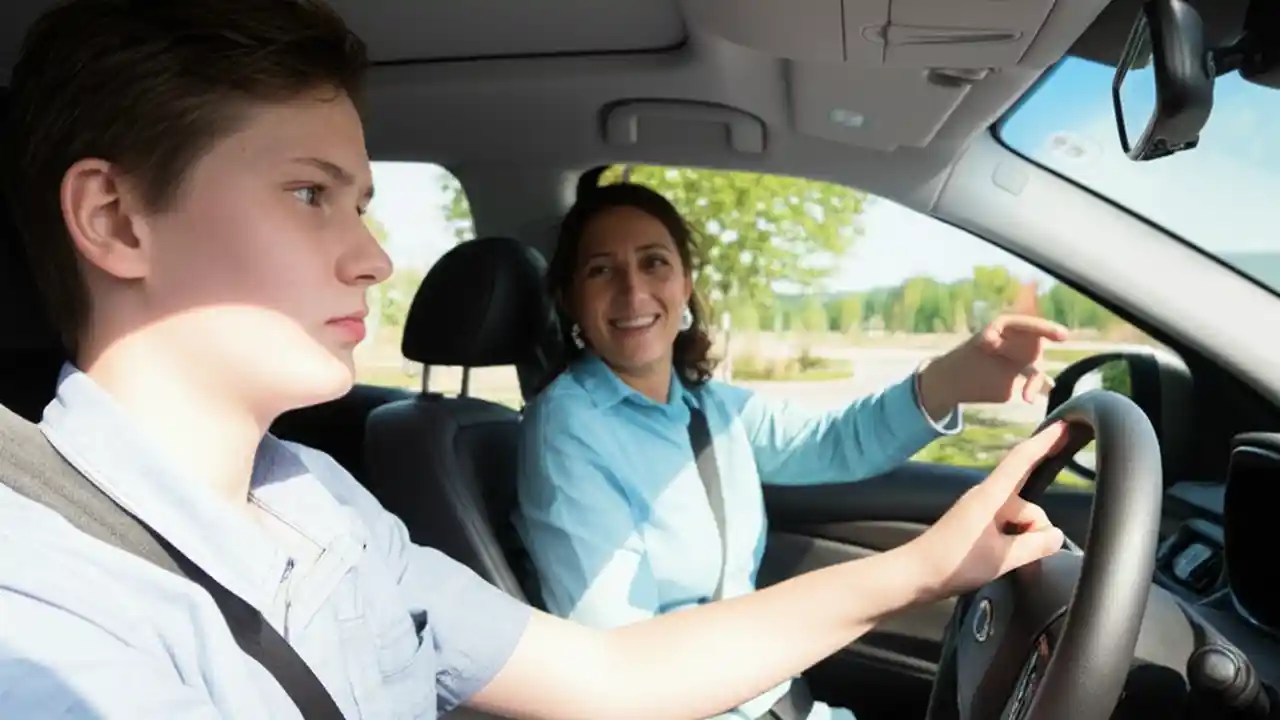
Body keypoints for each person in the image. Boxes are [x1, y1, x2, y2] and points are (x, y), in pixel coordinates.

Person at [0, 1, 1067, 718]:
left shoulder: (322, 503)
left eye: (361, 204)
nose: (375, 258)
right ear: (116, 219)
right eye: (309, 193)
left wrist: (930, 564)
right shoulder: (44, 611)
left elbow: (607, 677)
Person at [514, 183, 1069, 719]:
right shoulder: (565, 429)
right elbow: (618, 678)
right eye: (601, 269)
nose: (633, 291)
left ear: (685, 283)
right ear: (570, 300)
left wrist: (951, 380)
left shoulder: (711, 407)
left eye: (654, 262)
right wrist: (918, 570)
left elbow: (834, 442)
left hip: (770, 695)